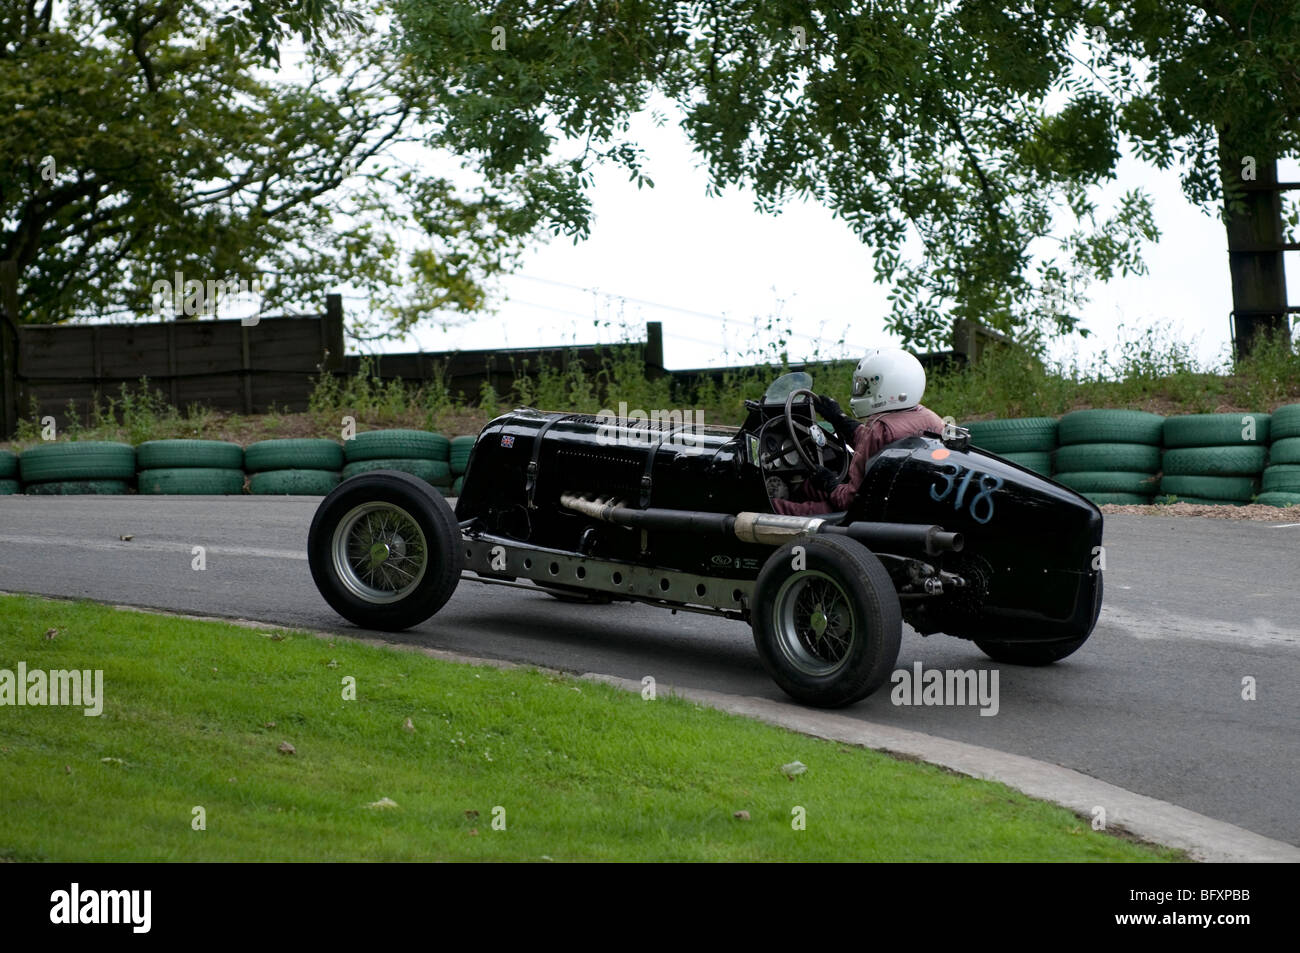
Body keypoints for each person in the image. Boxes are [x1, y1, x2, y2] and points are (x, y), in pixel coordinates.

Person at [772, 348, 946, 516]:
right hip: (906, 502)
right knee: (810, 486)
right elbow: (880, 443)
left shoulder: (880, 428)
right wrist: (839, 419)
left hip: (867, 511)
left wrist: (830, 484)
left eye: (865, 386)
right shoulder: (932, 419)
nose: (860, 391)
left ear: (884, 388)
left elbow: (849, 500)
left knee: (784, 510)